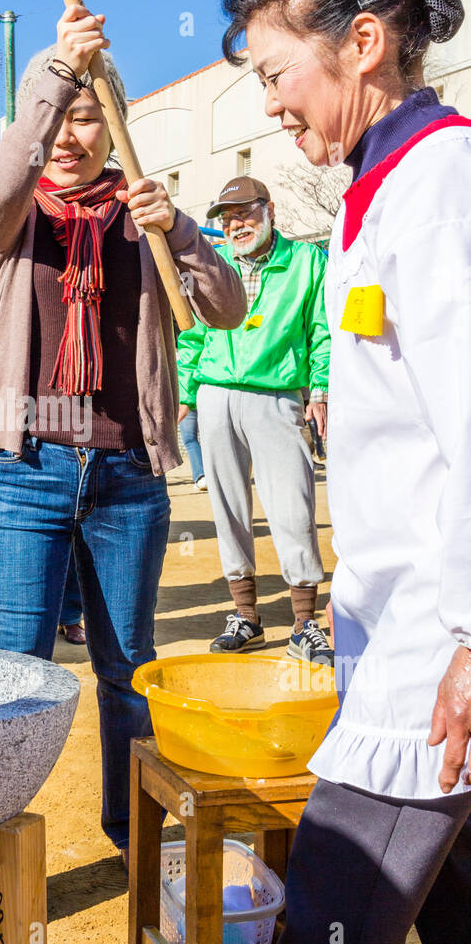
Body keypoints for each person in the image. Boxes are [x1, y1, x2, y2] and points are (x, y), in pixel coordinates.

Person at [220, 0, 471, 944]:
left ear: (361, 42)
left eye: (275, 73)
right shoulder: (378, 193)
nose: (269, 103)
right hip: (406, 654)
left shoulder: (443, 189)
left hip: (433, 669)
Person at [0, 3, 247, 861]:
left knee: (128, 673)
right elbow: (2, 181)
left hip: (127, 478)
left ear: (114, 122)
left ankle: (136, 840)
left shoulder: (145, 215)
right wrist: (58, 74)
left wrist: (183, 231)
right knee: (10, 674)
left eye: (87, 114)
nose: (67, 134)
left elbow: (225, 306)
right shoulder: (15, 220)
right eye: (54, 117)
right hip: (28, 472)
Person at [177, 174, 332, 664]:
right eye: (228, 217)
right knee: (227, 507)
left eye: (245, 213)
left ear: (270, 211)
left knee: (292, 505)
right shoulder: (215, 265)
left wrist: (321, 387)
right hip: (216, 394)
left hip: (277, 395)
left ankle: (305, 622)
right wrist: (185, 393)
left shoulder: (307, 262)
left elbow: (322, 329)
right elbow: (193, 336)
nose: (236, 223)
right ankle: (246, 616)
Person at [177, 400, 207, 490]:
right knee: (209, 440)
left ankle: (201, 476)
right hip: (207, 397)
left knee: (190, 440)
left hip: (187, 400)